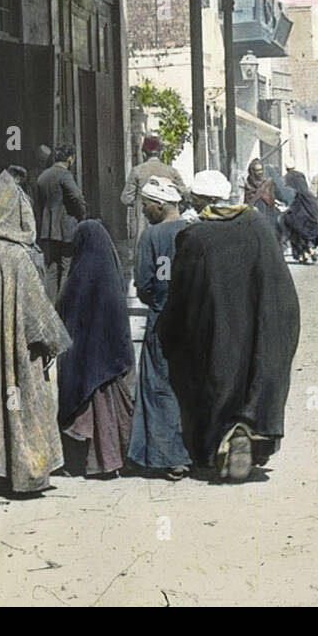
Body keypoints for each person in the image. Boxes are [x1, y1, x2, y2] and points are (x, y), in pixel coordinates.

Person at [157, 192, 301, 482]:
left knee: (213, 380)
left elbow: (181, 294)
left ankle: (221, 440)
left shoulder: (195, 237)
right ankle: (247, 427)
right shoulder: (258, 226)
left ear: (201, 202)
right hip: (263, 324)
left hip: (216, 330)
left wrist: (170, 328)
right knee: (255, 376)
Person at [0, 172, 72, 496]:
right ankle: (20, 472)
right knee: (17, 403)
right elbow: (37, 315)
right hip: (13, 353)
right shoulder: (17, 256)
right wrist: (52, 343)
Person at [56, 220, 135, 479]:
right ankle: (112, 461)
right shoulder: (111, 276)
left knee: (88, 413)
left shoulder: (79, 275)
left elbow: (64, 311)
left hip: (85, 363)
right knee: (109, 412)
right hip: (108, 361)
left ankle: (87, 463)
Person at [127, 178, 191, 480]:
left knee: (159, 386)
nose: (143, 212)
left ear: (160, 205)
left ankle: (168, 456)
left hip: (163, 320)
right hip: (194, 320)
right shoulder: (193, 229)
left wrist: (159, 299)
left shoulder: (156, 236)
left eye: (145, 206)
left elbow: (152, 282)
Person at [120, 136, 187, 262]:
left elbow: (126, 198)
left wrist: (141, 203)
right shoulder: (171, 171)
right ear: (161, 152)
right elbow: (183, 194)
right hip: (168, 223)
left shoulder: (137, 171)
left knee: (145, 259)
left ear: (144, 154)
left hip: (143, 224)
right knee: (167, 258)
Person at [36, 145, 87, 305]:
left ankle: (51, 308)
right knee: (67, 268)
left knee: (51, 269)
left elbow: (38, 203)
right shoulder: (64, 175)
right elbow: (77, 197)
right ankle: (64, 306)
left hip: (47, 230)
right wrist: (82, 213)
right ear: (70, 158)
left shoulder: (42, 176)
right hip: (66, 229)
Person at [281, 167, 318, 264]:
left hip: (295, 208)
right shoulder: (301, 176)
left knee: (296, 233)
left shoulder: (286, 178)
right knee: (307, 230)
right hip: (306, 207)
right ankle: (310, 250)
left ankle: (302, 256)